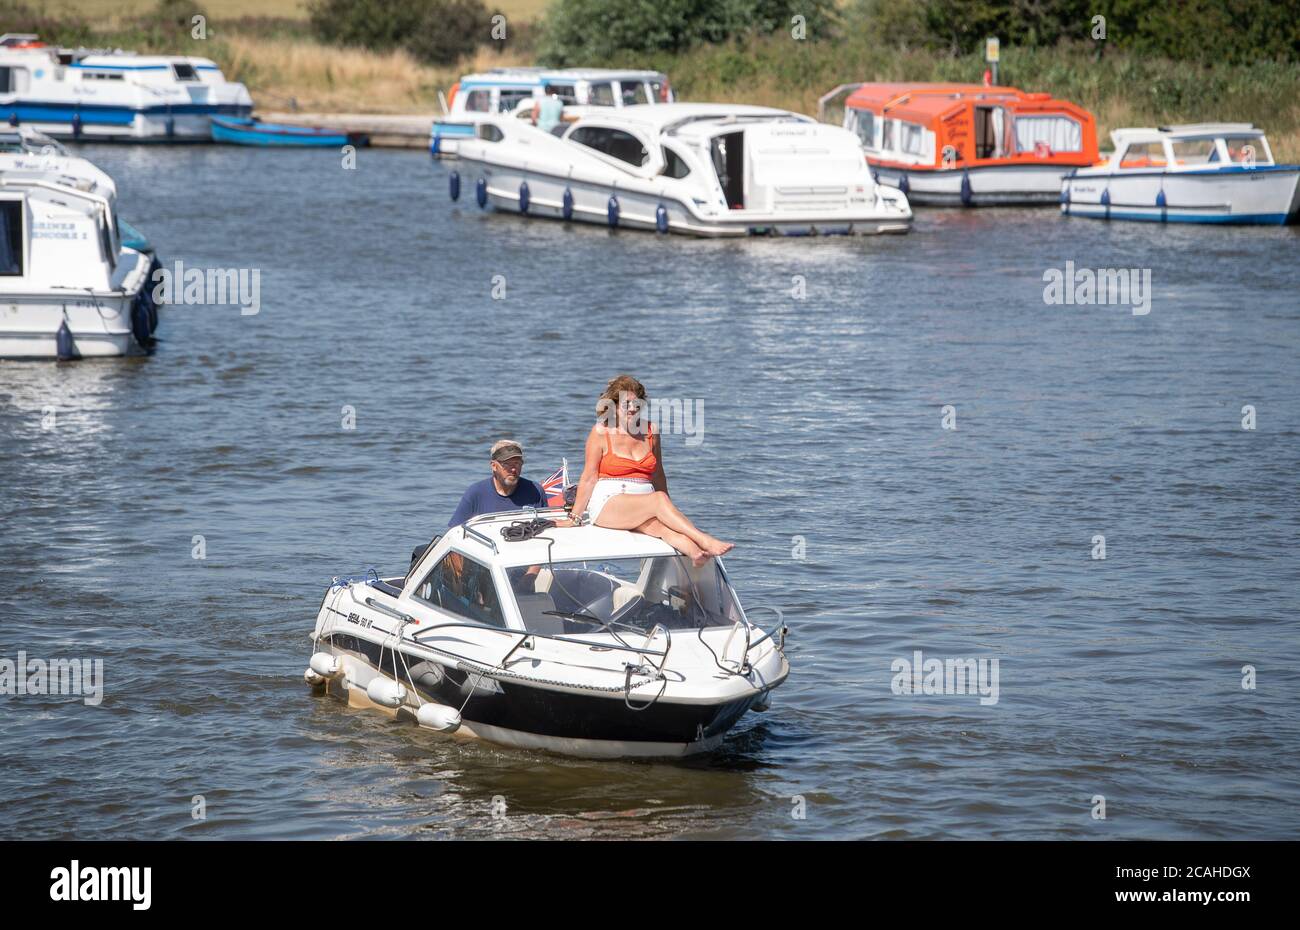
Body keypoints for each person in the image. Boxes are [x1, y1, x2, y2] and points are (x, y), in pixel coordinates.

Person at [567, 375, 733, 567]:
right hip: (609, 503)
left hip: (645, 505)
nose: (632, 408)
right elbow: (589, 478)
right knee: (659, 499)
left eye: (637, 404)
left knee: (664, 529)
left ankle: (696, 555)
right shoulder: (600, 432)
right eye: (626, 404)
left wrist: (671, 511)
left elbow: (658, 474)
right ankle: (705, 539)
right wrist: (575, 518)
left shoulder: (650, 430)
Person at [448, 439, 548, 528]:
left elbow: (546, 527)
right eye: (507, 464)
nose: (513, 469)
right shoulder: (476, 493)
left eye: (517, 463)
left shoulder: (535, 491)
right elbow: (455, 532)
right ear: (493, 466)